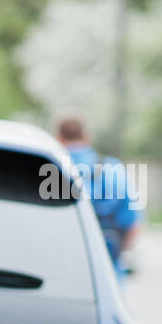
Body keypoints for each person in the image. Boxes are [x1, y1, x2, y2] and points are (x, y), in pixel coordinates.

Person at [55, 114, 142, 284]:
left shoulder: (48, 168)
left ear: (59, 137)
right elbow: (132, 223)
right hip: (107, 270)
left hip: (59, 269)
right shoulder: (114, 169)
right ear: (87, 137)